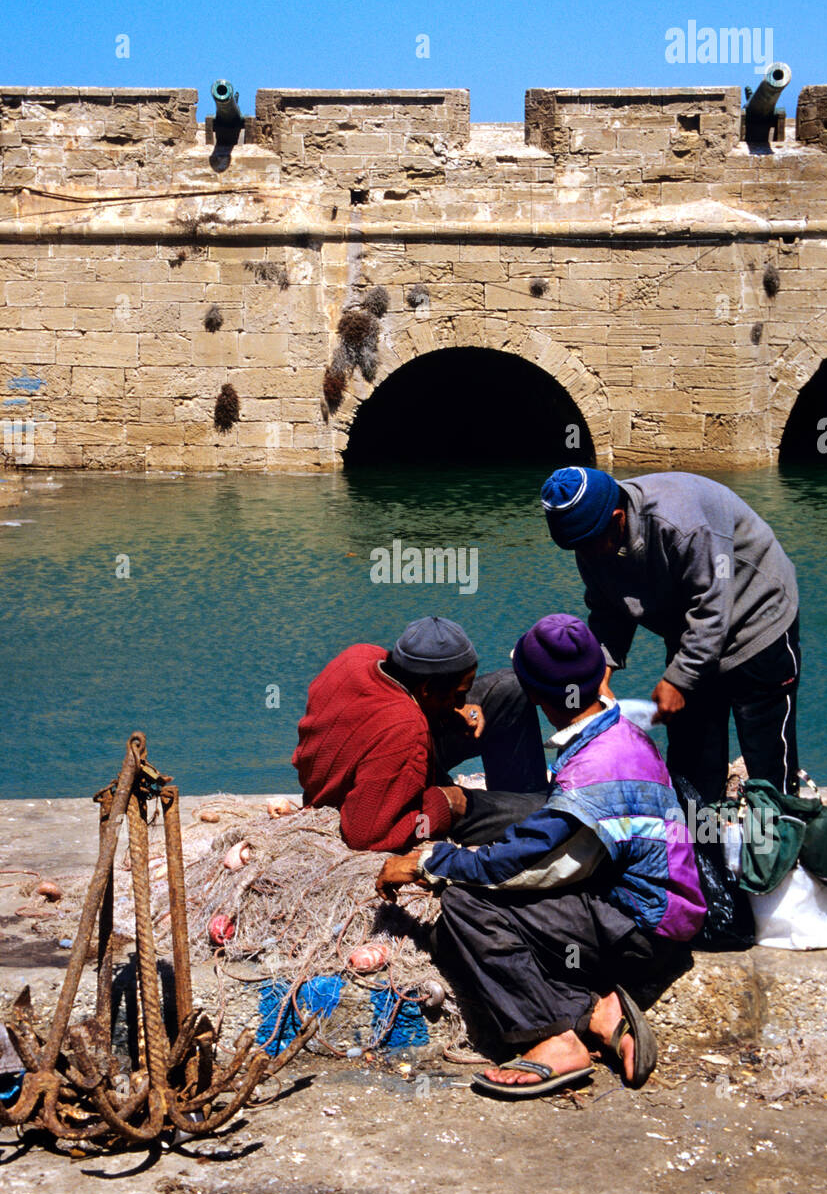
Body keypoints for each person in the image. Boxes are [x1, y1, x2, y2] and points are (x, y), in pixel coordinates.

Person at [376, 614, 705, 1099]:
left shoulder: (591, 775)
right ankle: (598, 1013)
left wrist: (430, 861)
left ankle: (554, 1036)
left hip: (642, 932)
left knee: (467, 906)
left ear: (531, 694)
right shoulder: (622, 735)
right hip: (669, 914)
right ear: (600, 677)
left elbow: (524, 867)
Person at [540, 466, 801, 805]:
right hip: (692, 630)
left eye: (589, 544)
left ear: (618, 518)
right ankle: (699, 845)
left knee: (767, 757)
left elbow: (712, 608)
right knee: (692, 760)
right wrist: (600, 674)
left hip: (757, 619)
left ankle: (781, 835)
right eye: (577, 548)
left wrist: (678, 680)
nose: (585, 556)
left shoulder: (681, 524)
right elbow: (607, 608)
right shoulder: (591, 538)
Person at [292, 615, 549, 853]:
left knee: (509, 688)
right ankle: (527, 812)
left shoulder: (358, 657)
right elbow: (362, 835)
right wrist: (444, 804)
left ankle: (519, 794)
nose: (462, 702)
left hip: (383, 748)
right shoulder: (405, 728)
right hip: (377, 792)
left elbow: (377, 717)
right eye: (458, 694)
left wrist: (449, 711)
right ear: (427, 690)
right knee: (548, 811)